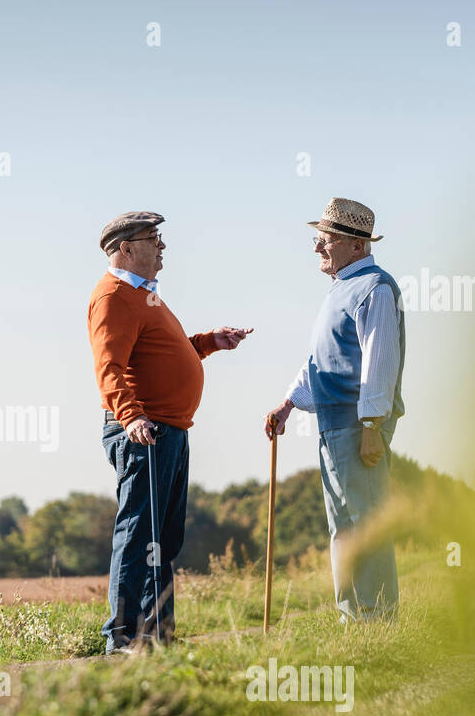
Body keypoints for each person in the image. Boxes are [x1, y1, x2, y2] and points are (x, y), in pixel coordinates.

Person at [88, 210, 252, 654]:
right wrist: (131, 416)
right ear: (125, 248)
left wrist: (209, 342)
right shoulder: (114, 296)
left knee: (163, 538)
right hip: (143, 430)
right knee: (139, 532)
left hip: (168, 429)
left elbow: (165, 353)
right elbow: (110, 367)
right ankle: (121, 639)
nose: (162, 246)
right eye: (152, 238)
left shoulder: (146, 296)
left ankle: (156, 636)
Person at [265, 198, 405, 622]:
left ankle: (377, 617)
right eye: (318, 239)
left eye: (325, 241)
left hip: (357, 423)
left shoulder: (375, 288)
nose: (317, 249)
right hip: (333, 423)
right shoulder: (340, 289)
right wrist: (289, 403)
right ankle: (353, 617)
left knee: (364, 522)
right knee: (343, 524)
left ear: (357, 246)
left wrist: (371, 424)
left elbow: (379, 361)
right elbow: (319, 361)